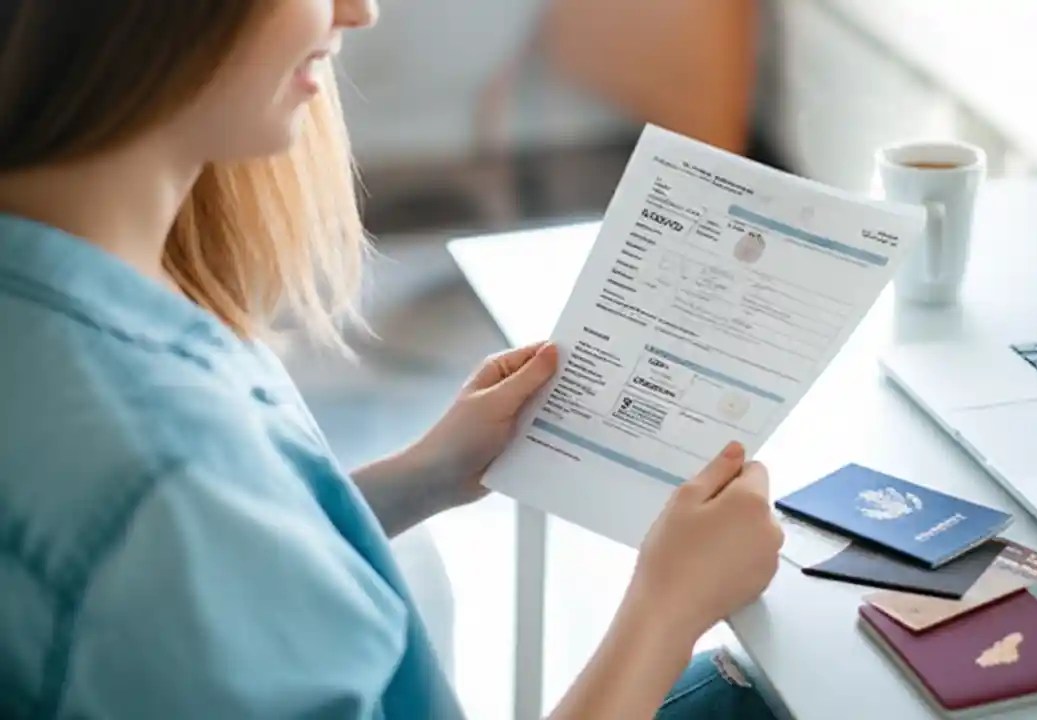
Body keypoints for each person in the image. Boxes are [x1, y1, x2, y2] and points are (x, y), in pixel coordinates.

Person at [0, 2, 785, 718]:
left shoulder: (69, 315)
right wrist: (669, 608)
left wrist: (422, 476)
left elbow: (194, 592)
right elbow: (185, 540)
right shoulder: (170, 472)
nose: (358, 11)